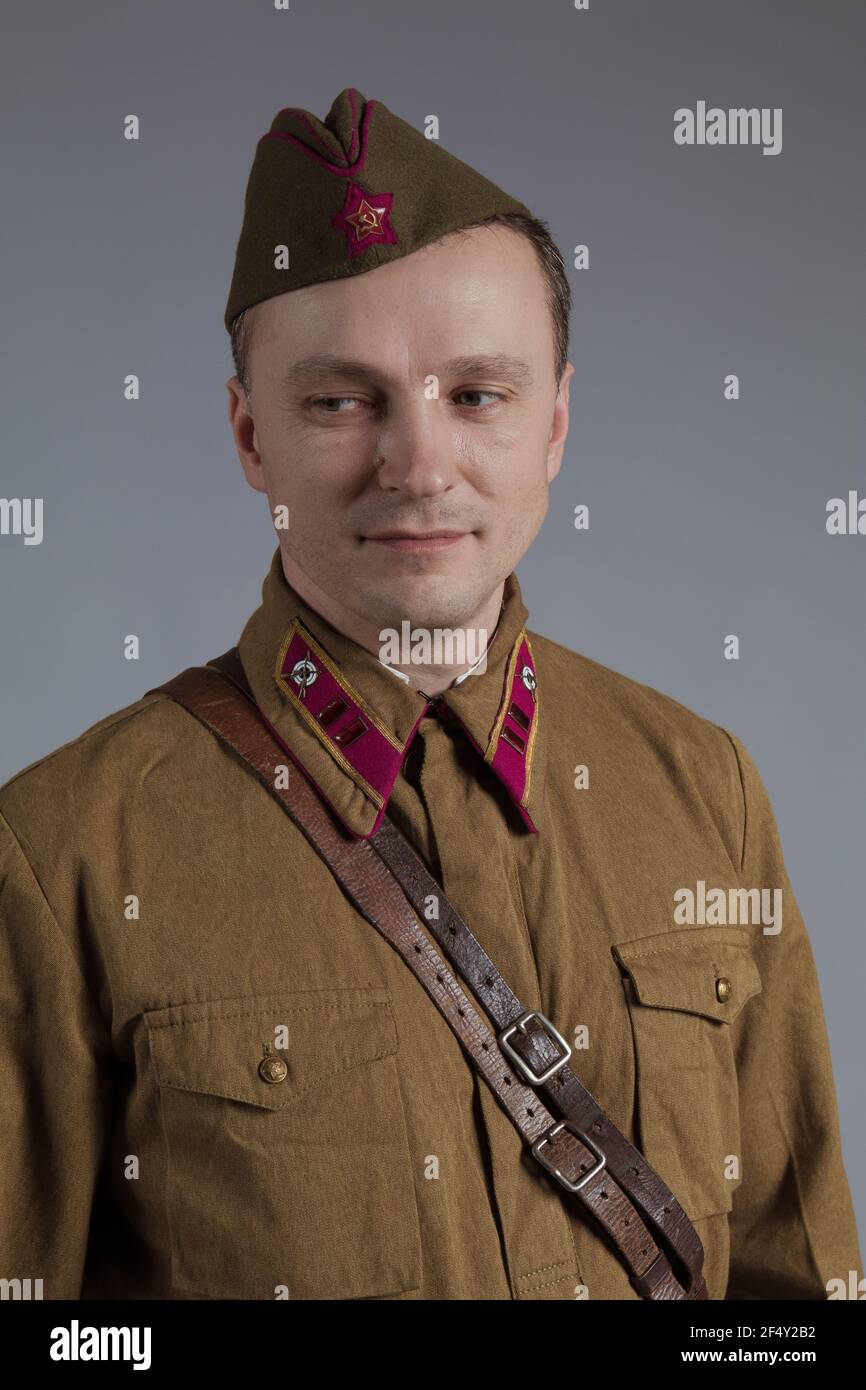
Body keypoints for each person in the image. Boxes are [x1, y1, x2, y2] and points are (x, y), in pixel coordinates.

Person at [0, 87, 860, 1301]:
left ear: (553, 422)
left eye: (476, 394)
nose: (418, 464)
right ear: (252, 438)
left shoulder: (700, 785)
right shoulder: (64, 852)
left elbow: (794, 1291)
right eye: (341, 401)